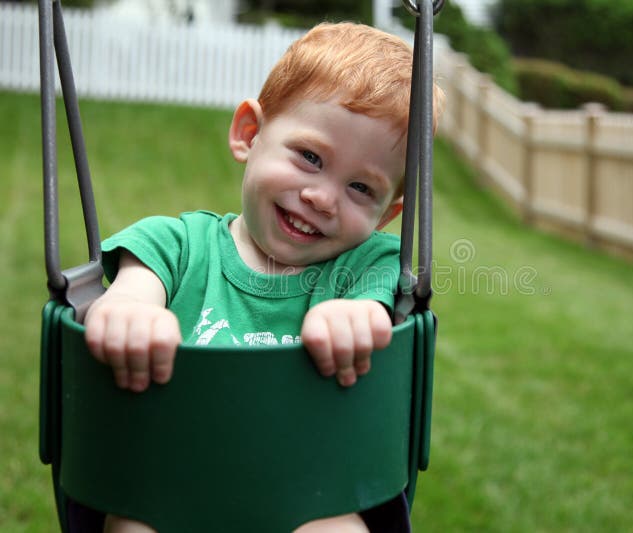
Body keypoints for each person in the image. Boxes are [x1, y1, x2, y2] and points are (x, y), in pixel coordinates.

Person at [83, 21, 443, 533]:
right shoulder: (176, 246)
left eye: (361, 187)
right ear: (249, 135)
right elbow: (129, 296)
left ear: (388, 215)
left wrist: (355, 316)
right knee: (132, 523)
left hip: (309, 495)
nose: (322, 197)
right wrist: (133, 314)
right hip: (170, 485)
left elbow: (373, 306)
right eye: (310, 157)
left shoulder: (370, 266)